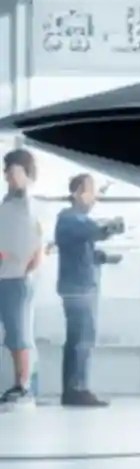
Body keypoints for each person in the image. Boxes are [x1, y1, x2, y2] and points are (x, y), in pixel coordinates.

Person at [55, 173, 123, 408]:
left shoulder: (75, 220)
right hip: (79, 288)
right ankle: (77, 390)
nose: (93, 197)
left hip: (80, 286)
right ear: (76, 194)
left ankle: (74, 389)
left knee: (78, 339)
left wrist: (101, 257)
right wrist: (114, 226)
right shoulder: (70, 217)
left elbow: (81, 248)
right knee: (81, 340)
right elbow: (94, 231)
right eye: (90, 191)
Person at [0, 149, 44, 409]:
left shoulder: (31, 204)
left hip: (19, 277)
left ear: (26, 173)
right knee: (14, 332)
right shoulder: (9, 202)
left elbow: (39, 240)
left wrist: (32, 264)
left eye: (12, 170)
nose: (7, 176)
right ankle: (20, 385)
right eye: (6, 171)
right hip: (5, 274)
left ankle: (23, 387)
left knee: (19, 333)